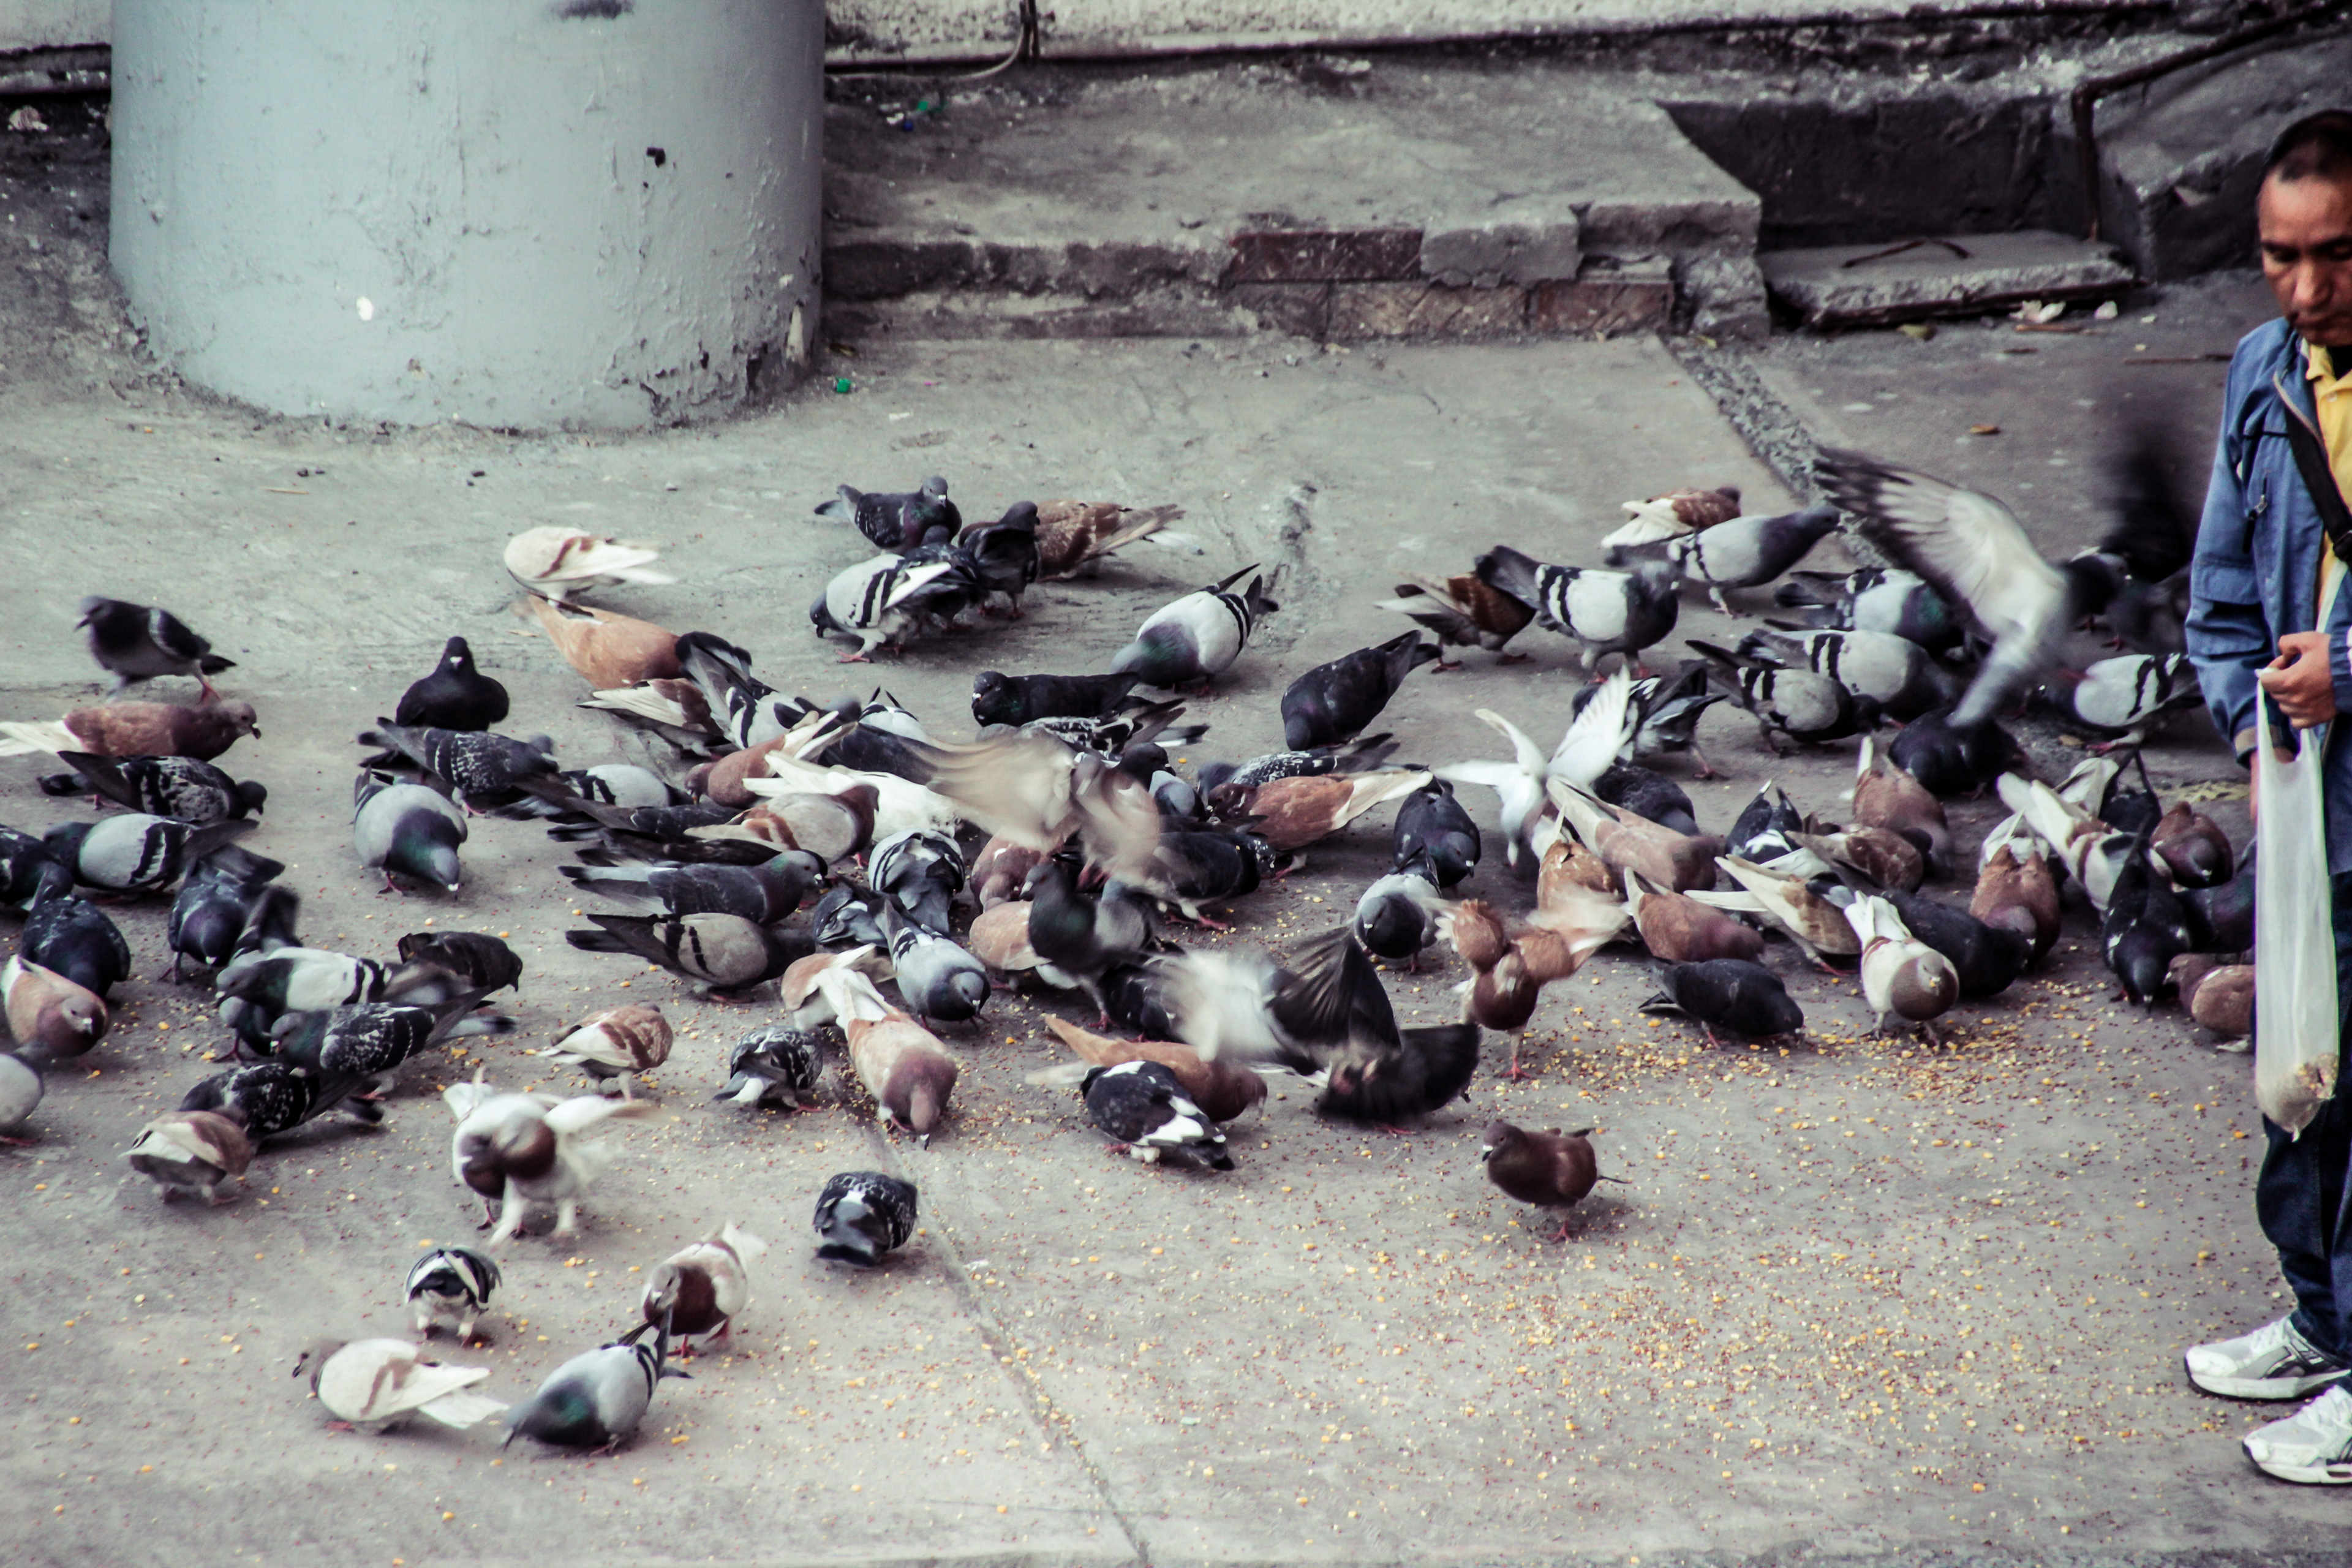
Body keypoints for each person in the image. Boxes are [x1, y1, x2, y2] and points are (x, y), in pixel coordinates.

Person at [2184, 107, 2352, 1485]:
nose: (2307, 291)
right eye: (2280, 259)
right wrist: (2257, 718)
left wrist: (2344, 670)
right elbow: (2222, 584)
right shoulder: (2260, 370)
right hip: (2294, 789)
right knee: (2299, 1071)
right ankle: (2315, 1319)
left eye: (2339, 256)